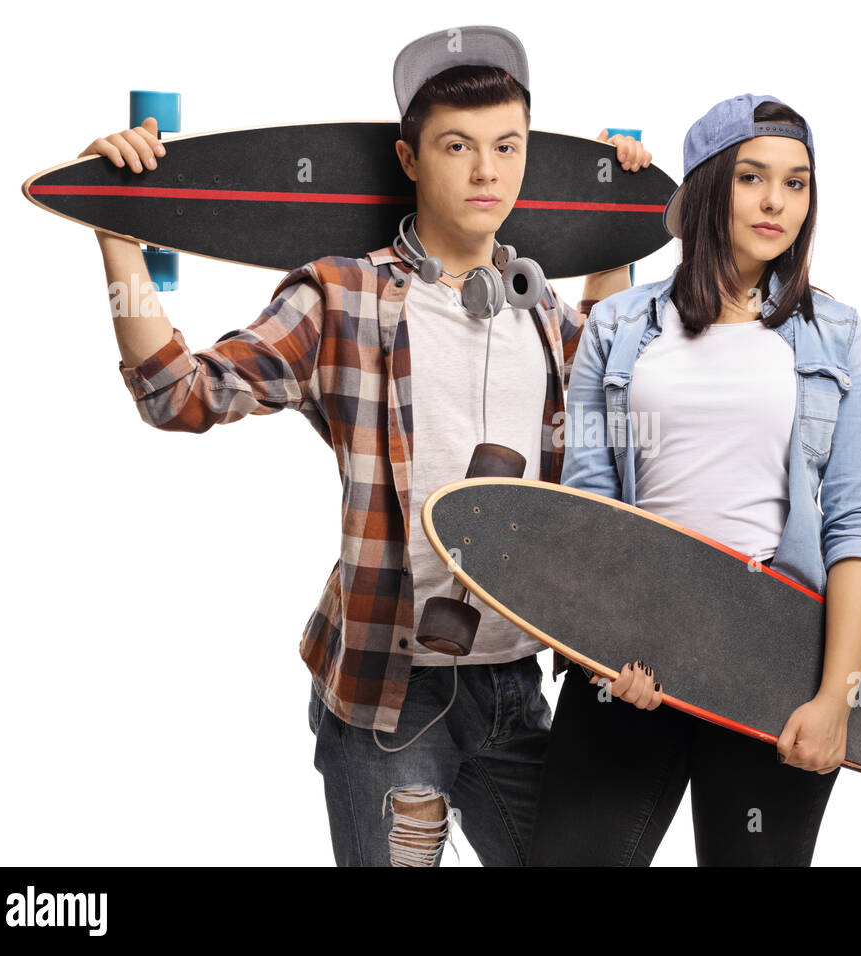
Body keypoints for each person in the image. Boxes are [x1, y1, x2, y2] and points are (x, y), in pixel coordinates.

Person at [84, 25, 651, 866]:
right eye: (457, 146)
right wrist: (116, 229)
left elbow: (611, 390)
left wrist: (615, 217)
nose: (487, 172)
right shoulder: (342, 298)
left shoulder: (544, 314)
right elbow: (179, 395)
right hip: (390, 692)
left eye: (507, 146)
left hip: (516, 680)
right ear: (410, 158)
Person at [529, 94, 861, 866]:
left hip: (774, 664)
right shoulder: (619, 326)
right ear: (703, 190)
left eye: (796, 183)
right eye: (751, 178)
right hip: (629, 657)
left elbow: (859, 526)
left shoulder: (839, 337)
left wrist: (836, 699)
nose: (776, 202)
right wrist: (603, 650)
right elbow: (588, 501)